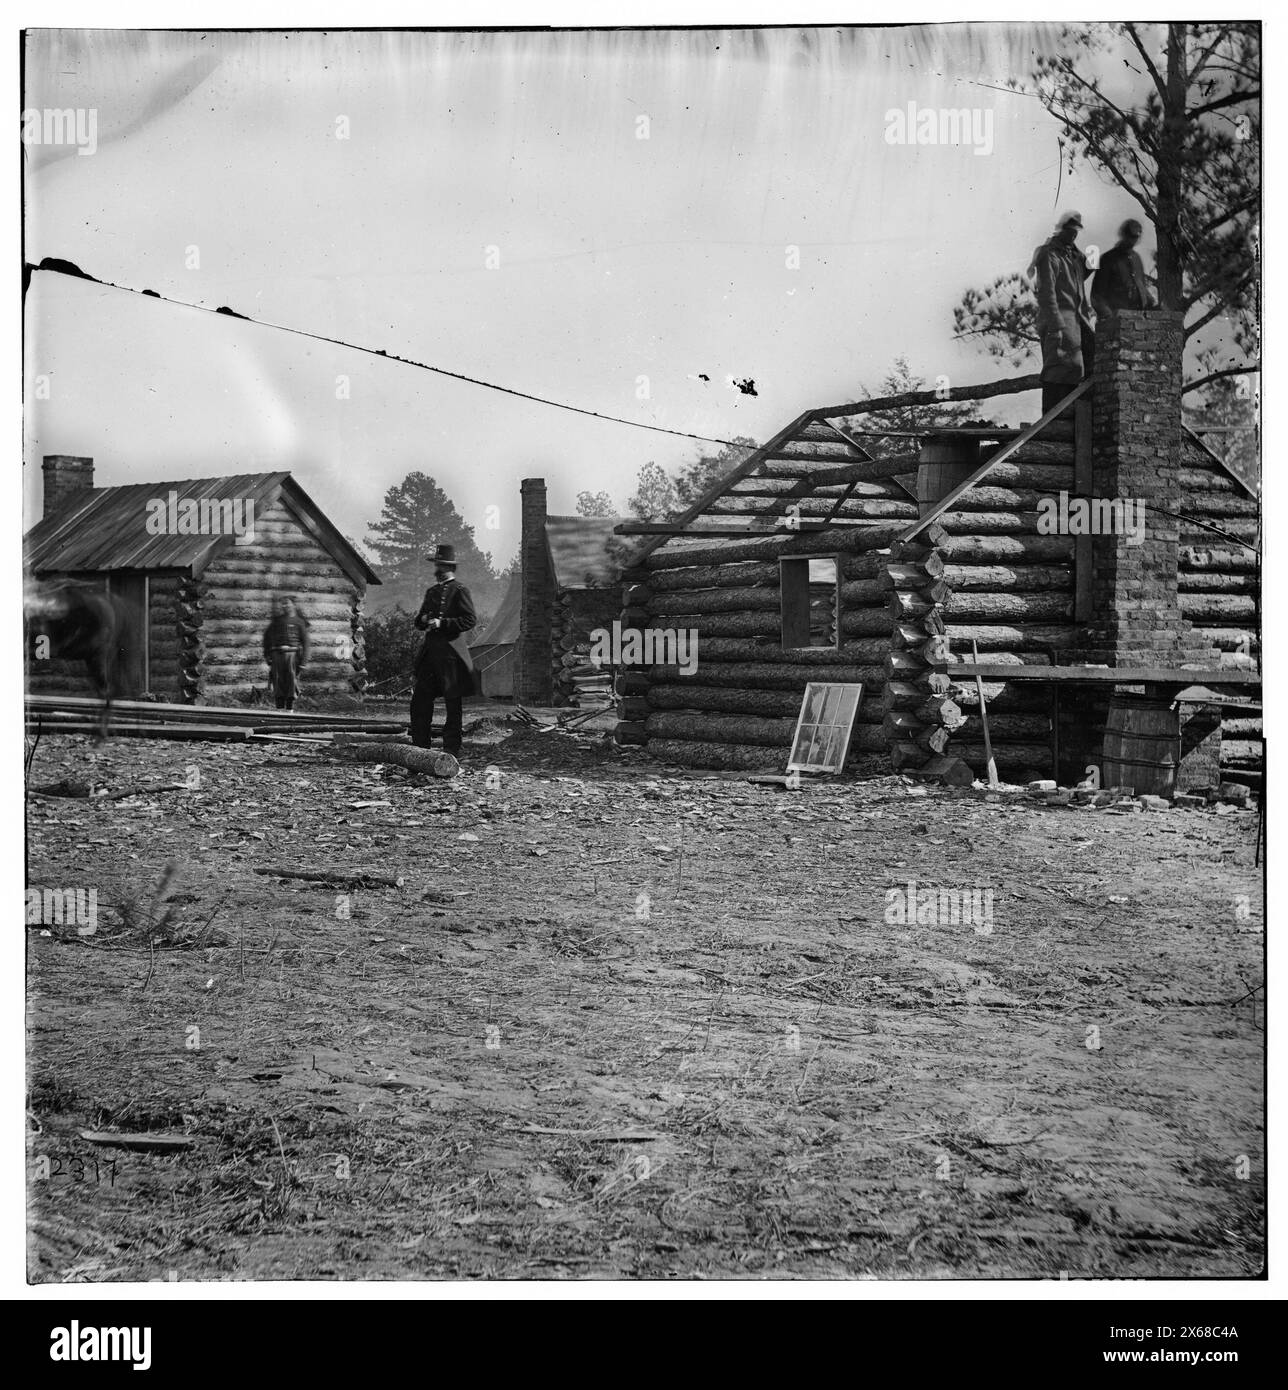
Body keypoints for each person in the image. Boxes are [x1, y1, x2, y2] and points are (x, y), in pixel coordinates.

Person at [410, 544, 477, 755]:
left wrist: (443, 623)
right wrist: (422, 620)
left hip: (451, 657)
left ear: (449, 567)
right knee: (420, 701)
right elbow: (419, 621)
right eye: (437, 564)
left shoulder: (460, 590)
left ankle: (451, 750)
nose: (437, 569)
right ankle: (421, 748)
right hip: (430, 655)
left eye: (440, 565)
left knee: (453, 705)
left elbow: (469, 620)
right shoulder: (432, 592)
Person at [1028, 209, 1096, 415]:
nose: (1074, 235)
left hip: (1077, 320)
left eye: (1077, 233)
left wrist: (1076, 249)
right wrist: (1056, 326)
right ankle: (1052, 423)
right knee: (1058, 369)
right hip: (1058, 320)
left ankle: (1078, 419)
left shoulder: (1071, 254)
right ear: (1061, 230)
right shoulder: (1049, 254)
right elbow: (1046, 293)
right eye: (1070, 231)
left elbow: (1087, 269)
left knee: (1088, 362)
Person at [1091, 218, 1153, 318]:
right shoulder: (1108, 259)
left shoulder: (1137, 259)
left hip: (1137, 319)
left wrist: (1148, 302)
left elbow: (1141, 287)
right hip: (1114, 320)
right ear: (1123, 235)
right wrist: (1108, 316)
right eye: (1131, 236)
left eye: (1136, 237)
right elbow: (1097, 295)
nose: (1133, 240)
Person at [262, 595, 309, 711]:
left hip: (292, 656)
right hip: (277, 655)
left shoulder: (299, 622)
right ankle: (279, 709)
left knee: (291, 682)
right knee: (278, 682)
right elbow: (266, 638)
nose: (285, 606)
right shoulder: (277, 621)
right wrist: (267, 655)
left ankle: (289, 710)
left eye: (287, 603)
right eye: (283, 604)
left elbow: (306, 643)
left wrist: (303, 661)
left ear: (293, 604)